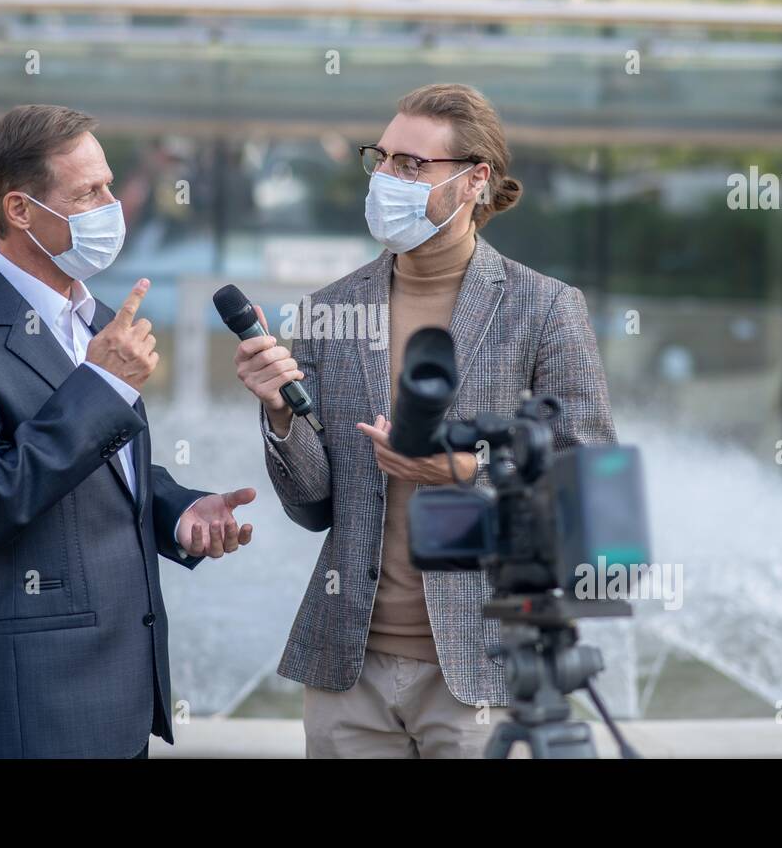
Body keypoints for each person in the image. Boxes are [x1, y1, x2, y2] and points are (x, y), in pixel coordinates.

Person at [234, 83, 617, 757]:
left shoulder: (546, 308)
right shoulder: (328, 308)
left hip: (482, 666)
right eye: (380, 158)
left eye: (412, 164)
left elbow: (588, 478)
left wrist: (465, 469)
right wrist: (279, 414)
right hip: (347, 671)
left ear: (475, 181)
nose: (386, 177)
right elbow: (313, 506)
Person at [0, 104, 255, 758]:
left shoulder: (98, 321)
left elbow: (105, 473)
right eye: (88, 193)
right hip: (34, 713)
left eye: (110, 185)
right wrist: (104, 386)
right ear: (21, 211)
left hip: (119, 703)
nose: (112, 206)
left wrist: (176, 513)